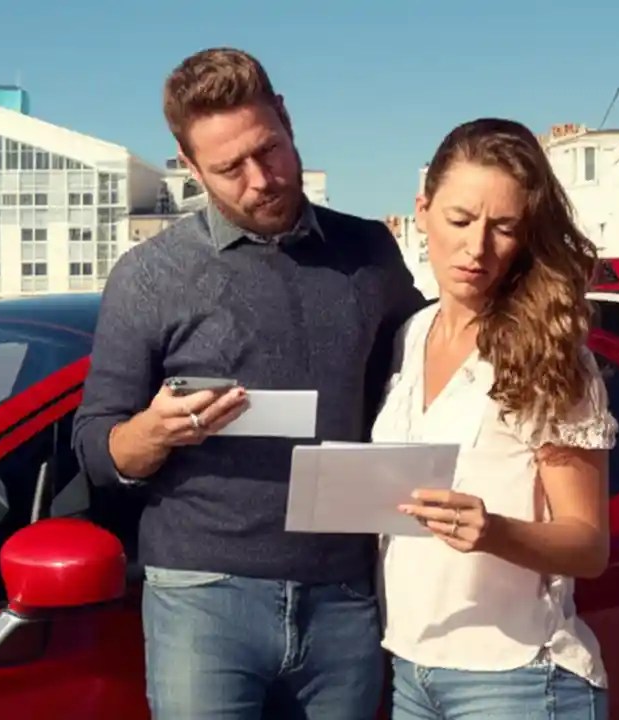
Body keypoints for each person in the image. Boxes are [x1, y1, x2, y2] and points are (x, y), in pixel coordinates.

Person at [71, 47, 427, 719]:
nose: (260, 179)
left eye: (269, 151)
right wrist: (146, 435)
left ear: (287, 119)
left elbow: (421, 392)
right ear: (187, 163)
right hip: (201, 599)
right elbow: (95, 446)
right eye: (228, 169)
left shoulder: (370, 255)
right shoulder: (148, 275)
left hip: (345, 593)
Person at [375, 118, 617, 718]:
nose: (477, 248)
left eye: (503, 227)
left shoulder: (553, 353)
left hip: (521, 683)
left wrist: (496, 531)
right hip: (409, 672)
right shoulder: (408, 335)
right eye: (459, 220)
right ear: (422, 209)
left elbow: (589, 545)